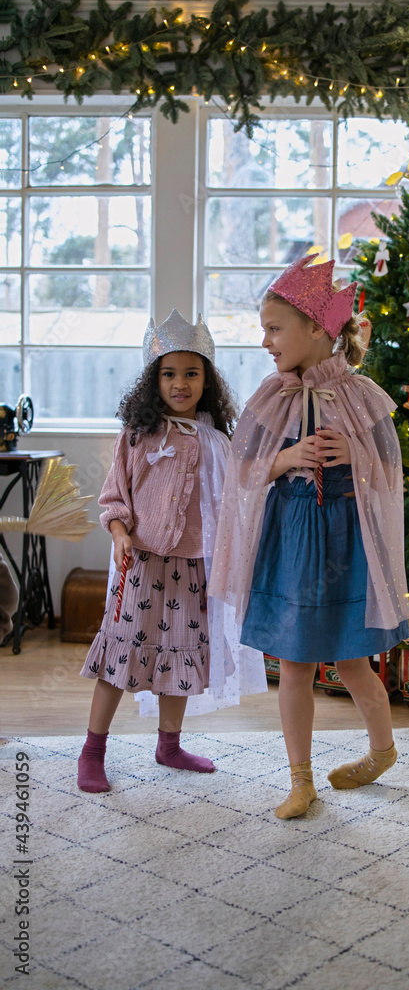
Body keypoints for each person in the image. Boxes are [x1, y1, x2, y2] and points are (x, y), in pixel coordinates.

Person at [210, 255, 409, 819]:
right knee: (294, 664)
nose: (267, 342)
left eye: (275, 329)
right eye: (264, 330)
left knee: (353, 662)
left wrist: (356, 455)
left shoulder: (362, 394)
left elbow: (389, 474)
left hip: (347, 542)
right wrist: (287, 458)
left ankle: (382, 752)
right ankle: (301, 780)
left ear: (318, 331)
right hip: (292, 539)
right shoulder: (270, 397)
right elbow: (241, 472)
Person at [77, 309, 266, 793]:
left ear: (207, 379)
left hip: (193, 567)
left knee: (179, 658)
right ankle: (92, 750)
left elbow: (233, 502)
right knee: (121, 656)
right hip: (139, 564)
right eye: (168, 373)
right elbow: (113, 498)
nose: (179, 383)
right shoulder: (138, 436)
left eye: (191, 373)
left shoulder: (218, 442)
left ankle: (169, 744)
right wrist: (119, 534)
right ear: (153, 378)